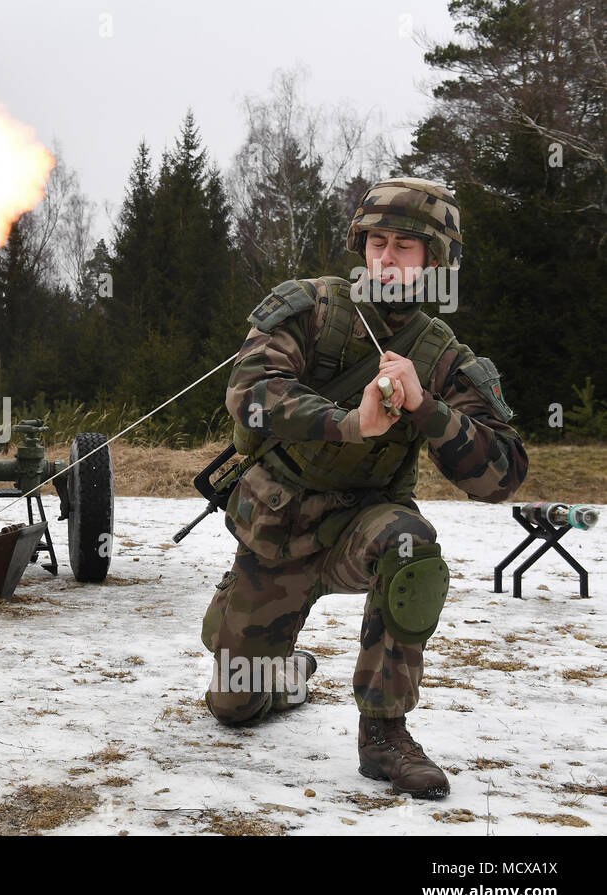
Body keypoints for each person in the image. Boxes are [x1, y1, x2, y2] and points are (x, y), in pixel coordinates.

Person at [200, 177, 528, 798]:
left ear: (436, 262)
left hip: (366, 526)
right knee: (234, 705)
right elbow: (248, 396)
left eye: (406, 245)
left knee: (412, 546)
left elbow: (503, 474)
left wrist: (428, 408)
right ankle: (286, 675)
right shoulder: (311, 310)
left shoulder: (444, 358)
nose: (386, 257)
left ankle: (384, 734)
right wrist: (346, 422)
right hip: (280, 525)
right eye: (378, 240)